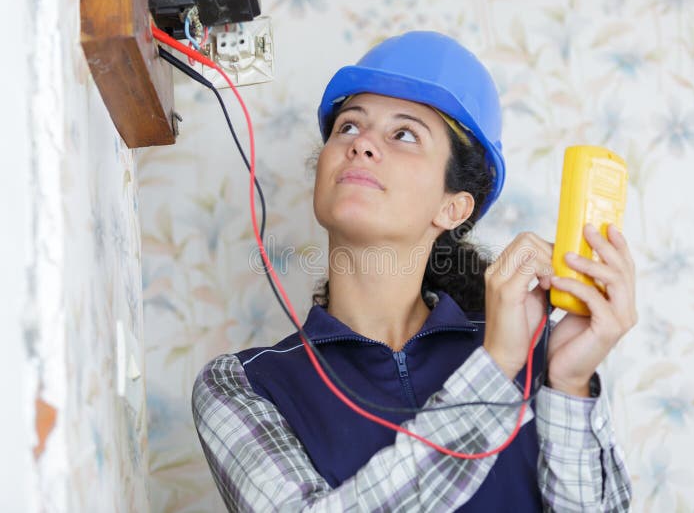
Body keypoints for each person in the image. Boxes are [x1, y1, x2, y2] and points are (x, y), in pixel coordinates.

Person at [192, 30, 635, 512]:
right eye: (348, 126)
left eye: (404, 134)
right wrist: (493, 371)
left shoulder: (536, 356)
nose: (362, 144)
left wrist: (568, 384)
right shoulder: (243, 384)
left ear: (453, 208)